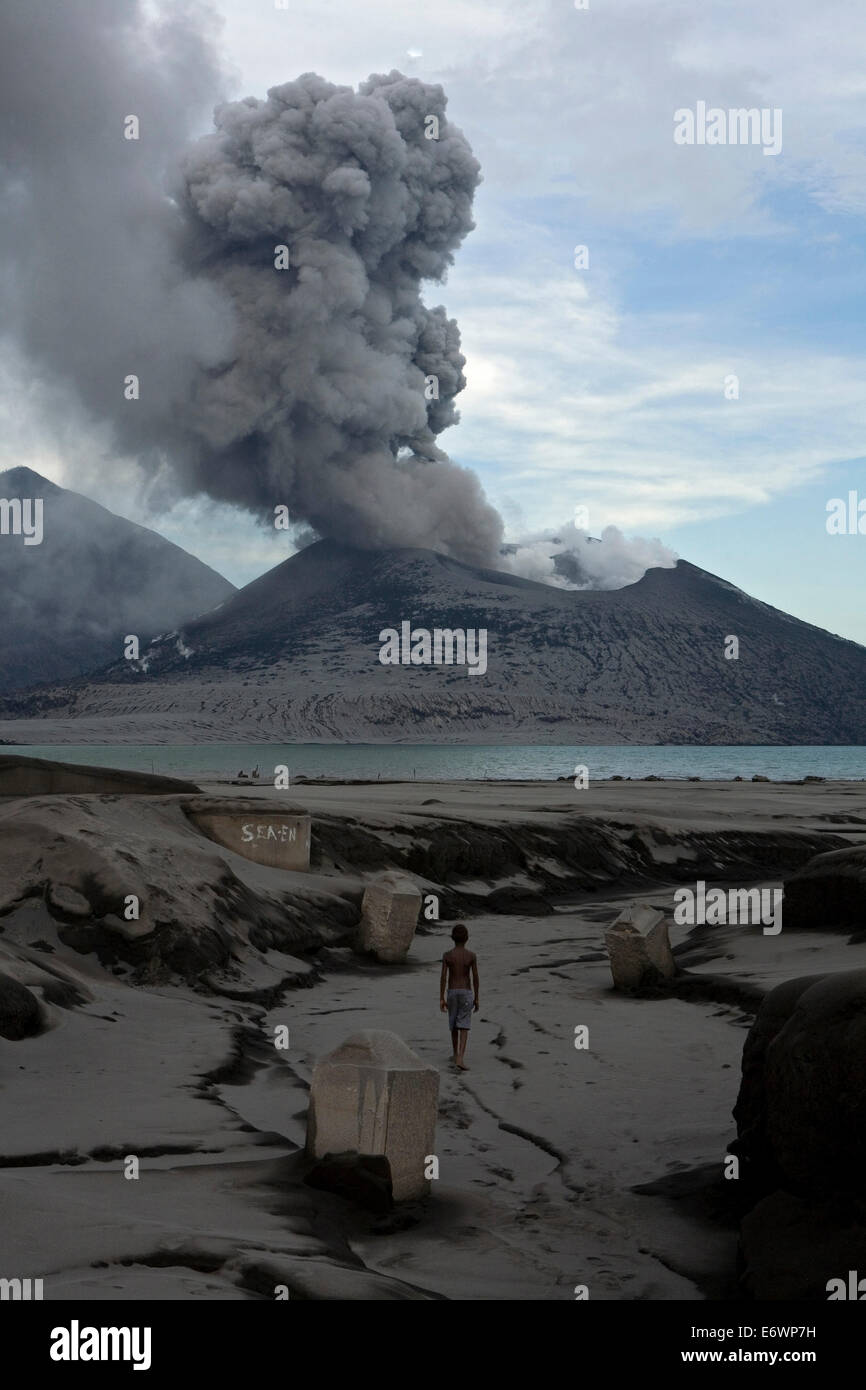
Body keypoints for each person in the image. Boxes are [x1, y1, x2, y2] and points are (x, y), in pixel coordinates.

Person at [440, 924, 479, 1070]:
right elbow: (475, 977)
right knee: (464, 1026)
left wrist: (441, 998)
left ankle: (455, 1053)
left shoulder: (447, 955)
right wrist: (477, 997)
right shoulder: (471, 956)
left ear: (452, 938)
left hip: (452, 992)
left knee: (454, 1025)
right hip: (466, 992)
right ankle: (460, 1058)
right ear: (467, 938)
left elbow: (443, 977)